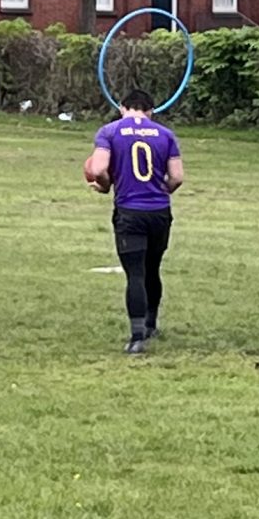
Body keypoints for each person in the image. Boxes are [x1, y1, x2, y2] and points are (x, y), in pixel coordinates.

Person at [84, 90, 183, 354]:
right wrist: (161, 190)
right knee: (153, 268)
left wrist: (105, 186)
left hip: (130, 212)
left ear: (122, 108)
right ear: (151, 111)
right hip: (159, 212)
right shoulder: (166, 135)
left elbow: (97, 169)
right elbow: (177, 177)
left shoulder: (109, 132)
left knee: (135, 274)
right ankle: (151, 323)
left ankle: (137, 337)